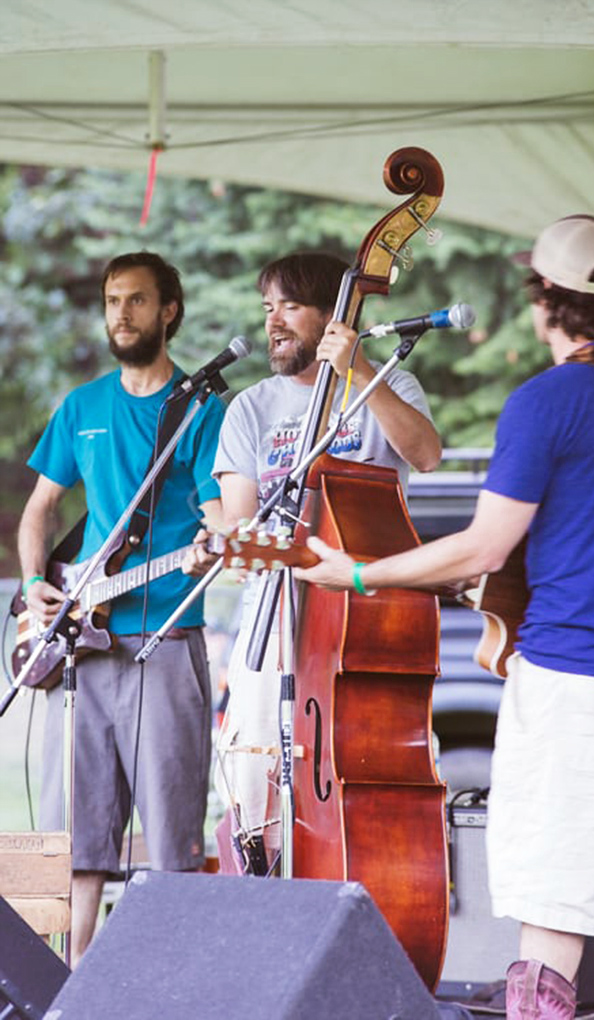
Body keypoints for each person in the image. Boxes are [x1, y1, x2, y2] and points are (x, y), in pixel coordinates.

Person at [293, 216, 594, 1019]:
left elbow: (483, 547)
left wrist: (358, 571)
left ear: (542, 299)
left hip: (577, 685)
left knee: (551, 909)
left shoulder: (548, 401)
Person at [193, 250, 442, 872]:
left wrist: (358, 369)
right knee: (252, 776)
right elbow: (242, 522)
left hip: (366, 615)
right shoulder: (250, 407)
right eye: (267, 306)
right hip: (275, 615)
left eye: (291, 306)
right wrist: (233, 543)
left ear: (334, 314)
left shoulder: (387, 381)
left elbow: (427, 454)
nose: (274, 321)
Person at [17, 252, 225, 965]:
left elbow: (222, 514)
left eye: (136, 301)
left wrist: (216, 542)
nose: (120, 315)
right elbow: (40, 509)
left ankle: (163, 985)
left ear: (169, 310)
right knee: (64, 830)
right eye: (112, 301)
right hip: (79, 645)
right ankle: (58, 981)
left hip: (164, 641)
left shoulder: (203, 408)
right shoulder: (82, 406)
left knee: (171, 839)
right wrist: (32, 582)